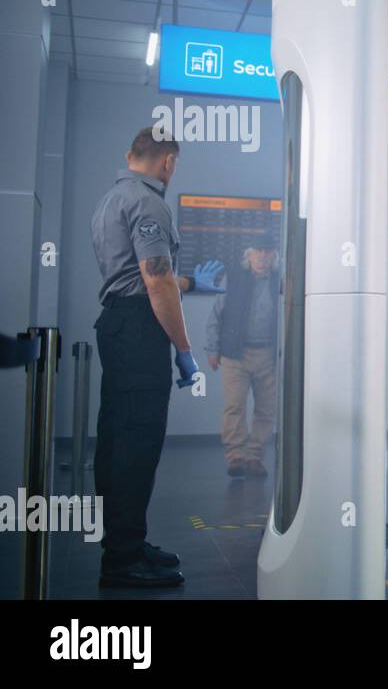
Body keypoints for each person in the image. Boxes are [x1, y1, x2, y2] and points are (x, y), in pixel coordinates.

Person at [90, 127, 224, 588]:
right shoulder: (150, 204)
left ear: (132, 157)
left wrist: (186, 285)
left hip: (118, 324)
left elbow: (136, 274)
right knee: (136, 445)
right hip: (139, 330)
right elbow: (155, 281)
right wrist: (185, 350)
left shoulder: (112, 199)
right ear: (168, 162)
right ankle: (123, 560)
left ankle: (124, 542)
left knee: (116, 441)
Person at [206, 234, 280, 478]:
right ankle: (235, 456)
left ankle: (254, 457)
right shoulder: (233, 279)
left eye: (268, 251)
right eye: (258, 251)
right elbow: (216, 316)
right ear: (248, 256)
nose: (263, 256)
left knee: (266, 409)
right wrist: (213, 349)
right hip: (234, 355)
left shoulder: (280, 282)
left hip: (268, 355)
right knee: (234, 406)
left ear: (274, 256)